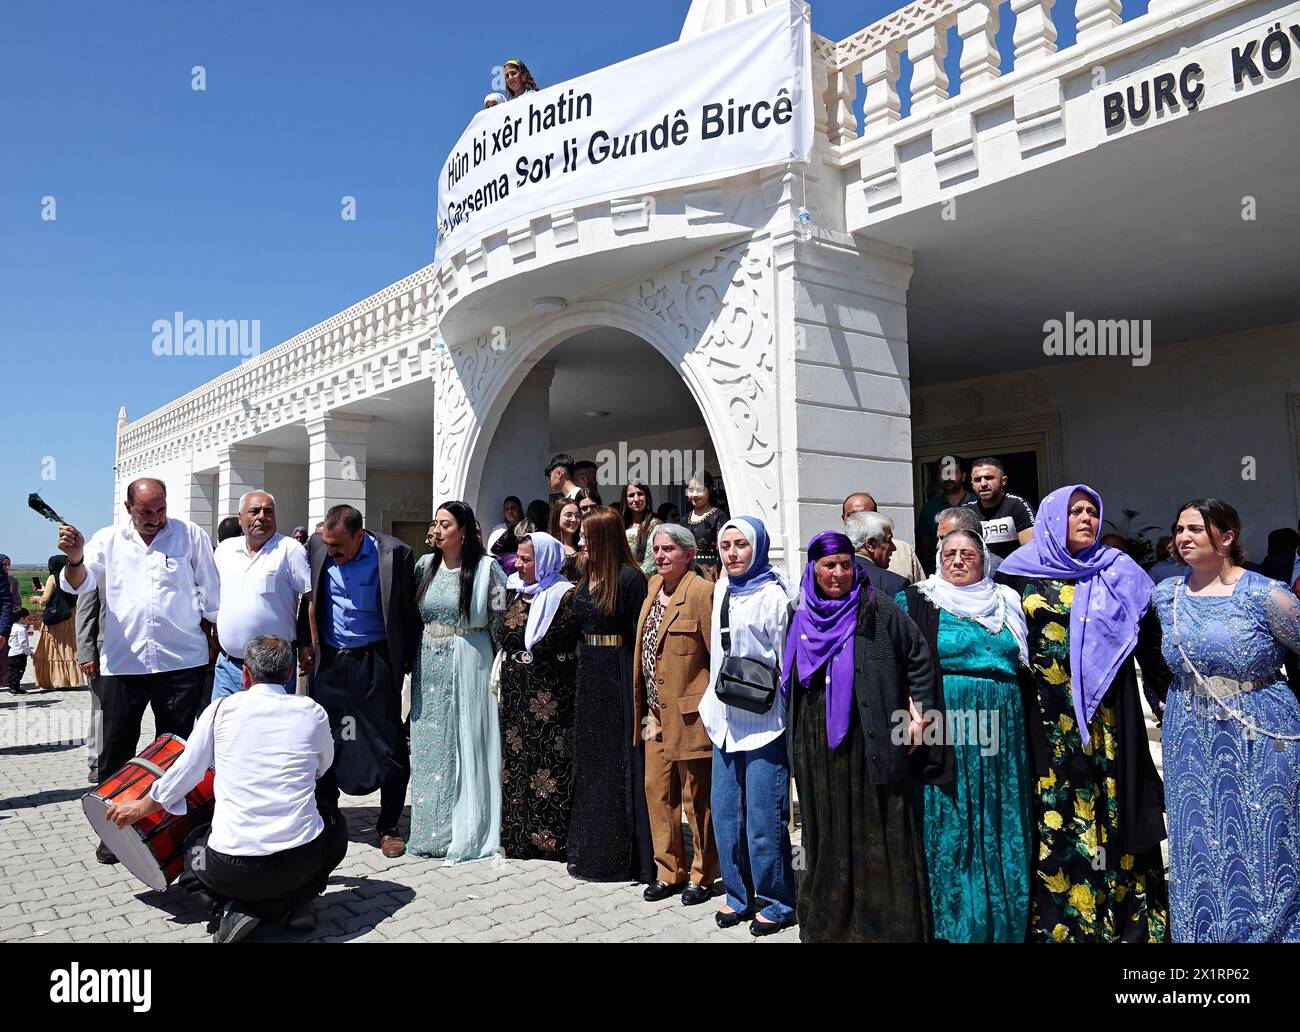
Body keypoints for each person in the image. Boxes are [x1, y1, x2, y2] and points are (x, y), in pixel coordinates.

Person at [997, 484, 1169, 942]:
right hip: (1046, 718)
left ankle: (1122, 919)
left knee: (1112, 808)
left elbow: (1150, 643)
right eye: (1075, 511)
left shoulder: (1121, 571)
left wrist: (1165, 698)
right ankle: (1063, 923)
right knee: (1055, 810)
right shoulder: (1016, 577)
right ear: (1054, 517)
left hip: (1107, 719)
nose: (1086, 518)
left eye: (1093, 511)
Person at [105, 635, 346, 942]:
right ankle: (297, 902)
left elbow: (184, 774)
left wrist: (140, 807)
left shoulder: (219, 710)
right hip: (301, 860)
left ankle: (232, 909)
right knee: (336, 828)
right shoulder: (313, 712)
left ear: (245, 674)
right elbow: (323, 767)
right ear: (289, 674)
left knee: (194, 850)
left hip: (232, 869)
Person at [1150, 499, 1300, 941]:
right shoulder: (1166, 595)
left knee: (1268, 837)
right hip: (1189, 731)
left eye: (1195, 528)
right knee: (1199, 838)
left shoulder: (1267, 595)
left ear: (1227, 537)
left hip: (1262, 729)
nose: (1183, 537)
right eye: (1179, 529)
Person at [782, 531, 939, 943]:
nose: (838, 573)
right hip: (818, 744)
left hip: (870, 741)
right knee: (827, 830)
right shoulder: (800, 615)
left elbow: (920, 658)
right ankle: (831, 924)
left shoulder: (880, 610)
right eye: (828, 565)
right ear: (813, 569)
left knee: (877, 832)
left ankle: (883, 929)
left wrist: (921, 716)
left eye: (846, 565)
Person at [57, 478, 220, 864]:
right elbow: (79, 584)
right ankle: (112, 830)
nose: (156, 518)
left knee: (178, 750)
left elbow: (212, 594)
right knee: (117, 749)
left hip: (182, 663)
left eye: (161, 509)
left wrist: (221, 642)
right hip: (122, 664)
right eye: (146, 511)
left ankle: (174, 828)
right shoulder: (107, 540)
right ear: (129, 508)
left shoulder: (189, 536)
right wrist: (76, 557)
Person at [904, 528, 1032, 942]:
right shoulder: (915, 601)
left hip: (1003, 727)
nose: (958, 561)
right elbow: (893, 661)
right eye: (950, 553)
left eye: (968, 554)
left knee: (998, 813)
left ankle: (1002, 918)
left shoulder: (1007, 601)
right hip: (948, 724)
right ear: (938, 557)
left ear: (984, 560)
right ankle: (955, 922)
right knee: (953, 816)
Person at [298, 504, 420, 858]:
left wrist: (409, 656)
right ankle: (328, 819)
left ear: (359, 535)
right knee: (327, 738)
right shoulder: (318, 548)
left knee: (388, 740)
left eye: (338, 546)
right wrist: (305, 641)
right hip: (333, 661)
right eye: (327, 544)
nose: (331, 552)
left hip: (376, 660)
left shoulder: (395, 554)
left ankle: (389, 824)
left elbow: (407, 610)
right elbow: (305, 598)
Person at [700, 517, 796, 935]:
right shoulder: (721, 588)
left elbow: (786, 660)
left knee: (763, 820)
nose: (733, 553)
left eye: (742, 545)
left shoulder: (776, 595)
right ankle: (738, 896)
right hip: (723, 720)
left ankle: (777, 903)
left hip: (764, 721)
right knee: (725, 817)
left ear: (758, 548)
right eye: (726, 545)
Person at [409, 501, 505, 863]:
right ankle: (429, 832)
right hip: (428, 663)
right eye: (436, 523)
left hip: (470, 660)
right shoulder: (424, 567)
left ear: (463, 531)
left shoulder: (487, 570)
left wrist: (501, 666)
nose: (437, 530)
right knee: (430, 744)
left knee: (467, 740)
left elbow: (498, 619)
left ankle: (465, 829)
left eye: (445, 524)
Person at [632, 524, 718, 905]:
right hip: (654, 713)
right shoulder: (652, 587)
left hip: (689, 714)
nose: (661, 555)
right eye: (657, 549)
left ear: (688, 553)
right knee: (657, 790)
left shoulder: (701, 592)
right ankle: (669, 870)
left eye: (668, 549)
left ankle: (702, 874)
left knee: (695, 797)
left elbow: (715, 656)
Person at [567, 507, 654, 883]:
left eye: (587, 535)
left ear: (604, 536)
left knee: (618, 763)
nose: (580, 541)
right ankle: (590, 848)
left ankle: (623, 856)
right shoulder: (587, 576)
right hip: (587, 674)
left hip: (618, 675)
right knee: (591, 764)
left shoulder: (631, 578)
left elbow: (638, 638)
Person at [492, 532, 581, 861]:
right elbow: (502, 633)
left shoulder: (565, 596)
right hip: (516, 694)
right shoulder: (514, 592)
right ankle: (516, 838)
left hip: (552, 698)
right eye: (518, 557)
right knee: (515, 764)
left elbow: (573, 645)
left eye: (527, 558)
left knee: (550, 767)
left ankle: (551, 841)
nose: (519, 563)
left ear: (545, 560)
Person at [211, 491, 311, 706]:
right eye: (254, 511)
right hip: (229, 667)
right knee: (223, 731)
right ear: (240, 518)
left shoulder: (289, 549)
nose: (262, 516)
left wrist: (308, 643)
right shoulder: (225, 551)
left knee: (270, 734)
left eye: (269, 511)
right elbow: (210, 595)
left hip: (275, 671)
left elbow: (312, 598)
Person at [842, 492, 925, 584]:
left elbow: (920, 592)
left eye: (867, 514)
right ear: (843, 518)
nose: (861, 520)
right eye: (853, 515)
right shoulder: (832, 552)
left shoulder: (904, 550)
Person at [963, 458, 1036, 560]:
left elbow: (1032, 551)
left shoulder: (1017, 505)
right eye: (977, 480)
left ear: (1003, 481)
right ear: (972, 485)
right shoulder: (966, 511)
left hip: (1013, 573)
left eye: (989, 478)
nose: (983, 484)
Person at [917, 455, 978, 574]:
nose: (948, 477)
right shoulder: (929, 508)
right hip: (939, 572)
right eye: (943, 473)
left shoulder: (978, 504)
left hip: (972, 570)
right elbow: (925, 547)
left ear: (964, 476)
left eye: (952, 472)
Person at [31, 555, 81, 689]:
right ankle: (71, 679)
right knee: (69, 647)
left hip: (56, 619)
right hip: (70, 616)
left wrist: (37, 598)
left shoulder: (53, 577)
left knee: (54, 648)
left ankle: (57, 679)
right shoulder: (72, 576)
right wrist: (44, 588)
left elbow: (45, 599)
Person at [76, 585, 106, 781]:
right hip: (106, 655)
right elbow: (85, 612)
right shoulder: (97, 563)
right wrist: (86, 654)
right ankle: (97, 762)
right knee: (101, 711)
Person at [846, 510, 909, 597]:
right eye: (888, 541)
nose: (894, 547)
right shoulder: (894, 584)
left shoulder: (832, 577)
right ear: (870, 544)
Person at [684, 472, 729, 580]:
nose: (694, 495)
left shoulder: (719, 516)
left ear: (709, 490)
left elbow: (725, 553)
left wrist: (722, 583)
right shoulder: (685, 518)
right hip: (686, 575)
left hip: (709, 577)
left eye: (699, 490)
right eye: (690, 490)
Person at [936, 506, 1002, 577]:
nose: (938, 545)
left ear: (972, 536)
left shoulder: (997, 570)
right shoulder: (943, 562)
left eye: (944, 538)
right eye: (938, 538)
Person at [622, 482, 661, 577]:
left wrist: (633, 580)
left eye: (640, 494)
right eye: (631, 495)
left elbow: (650, 564)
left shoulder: (655, 525)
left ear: (647, 497)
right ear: (625, 499)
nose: (636, 499)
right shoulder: (621, 524)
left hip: (641, 582)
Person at [548, 497, 584, 580]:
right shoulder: (549, 546)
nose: (574, 520)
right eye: (568, 515)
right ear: (557, 517)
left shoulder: (583, 545)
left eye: (578, 516)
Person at [0, 554, 16, 691]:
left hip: (3, 622)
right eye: (4, 564)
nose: (6, 567)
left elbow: (8, 603)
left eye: (8, 564)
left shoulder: (9, 580)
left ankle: (5, 680)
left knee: (4, 653)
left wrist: (3, 630)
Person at [7, 608, 32, 693]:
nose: (28, 620)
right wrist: (30, 653)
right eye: (27, 618)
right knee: (19, 671)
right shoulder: (21, 629)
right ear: (22, 619)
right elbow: (23, 643)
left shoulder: (12, 627)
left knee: (12, 671)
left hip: (11, 653)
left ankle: (12, 686)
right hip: (19, 654)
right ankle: (14, 688)